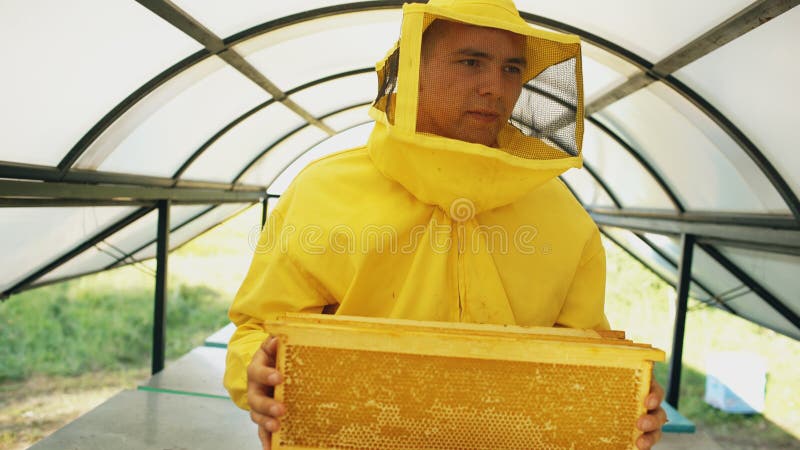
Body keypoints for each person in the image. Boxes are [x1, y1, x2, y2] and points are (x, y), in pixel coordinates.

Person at [224, 0, 667, 448]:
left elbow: (584, 355)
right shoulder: (321, 190)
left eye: (512, 69)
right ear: (415, 66)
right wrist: (257, 373)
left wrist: (625, 406)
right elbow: (257, 330)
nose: (494, 87)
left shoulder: (563, 217)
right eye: (471, 62)